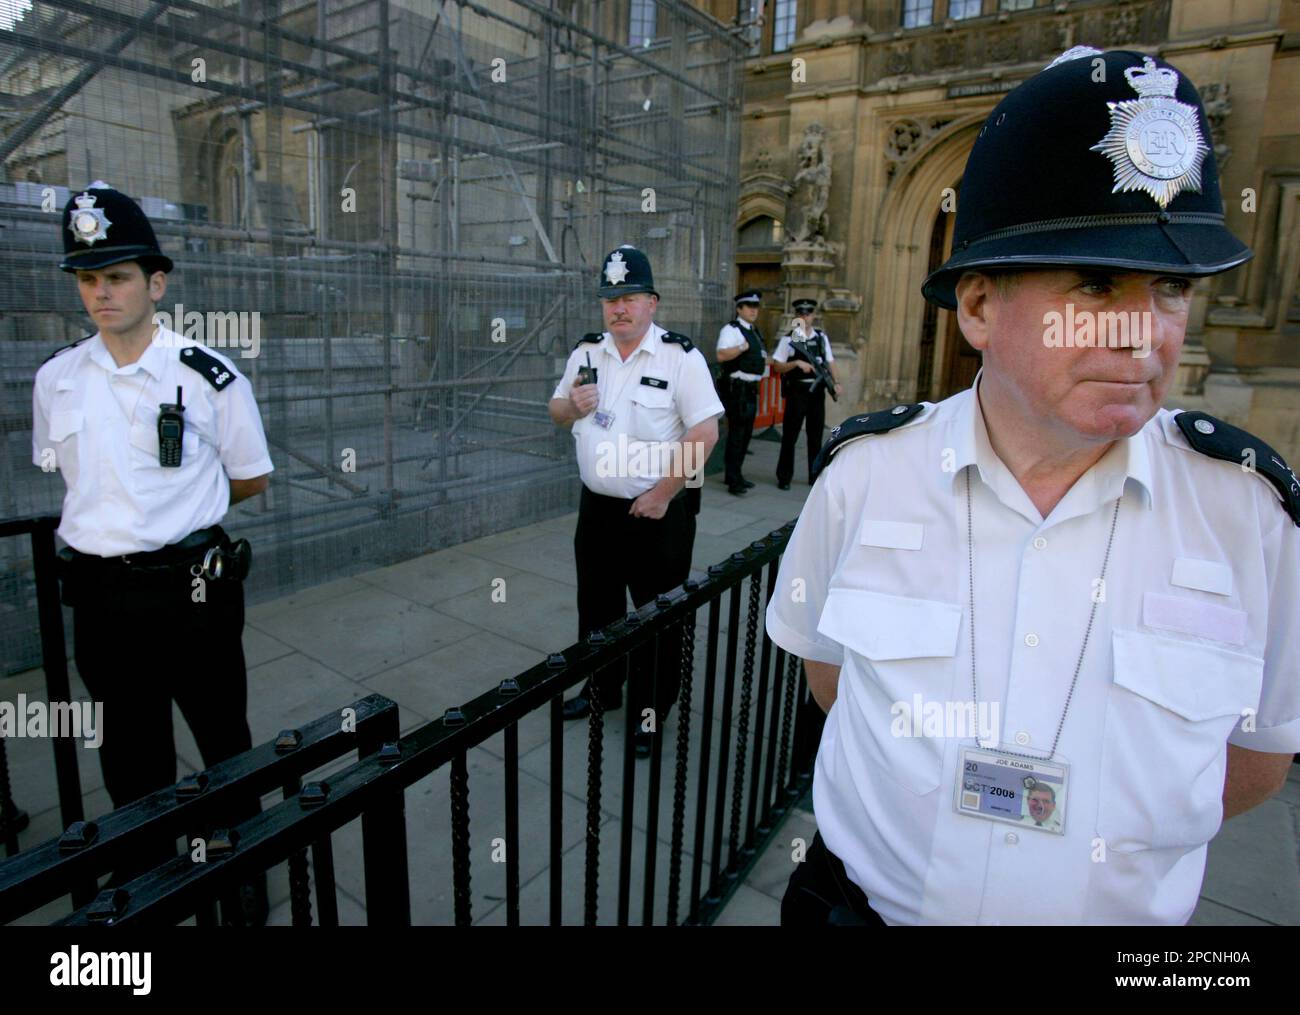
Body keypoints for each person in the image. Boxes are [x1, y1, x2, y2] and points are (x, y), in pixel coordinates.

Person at [767, 49, 1299, 926]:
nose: (1145, 334)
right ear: (978, 308)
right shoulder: (869, 476)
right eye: (1095, 282)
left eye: (1169, 287)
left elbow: (1253, 761)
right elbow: (833, 683)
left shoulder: (1249, 514)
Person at [31, 183, 275, 923]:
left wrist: (179, 517)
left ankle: (242, 874)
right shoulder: (57, 378)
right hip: (102, 600)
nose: (100, 293)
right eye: (87, 278)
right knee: (130, 759)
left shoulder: (207, 375)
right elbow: (78, 480)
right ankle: (150, 885)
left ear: (156, 282)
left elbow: (251, 477)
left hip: (192, 593)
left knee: (223, 742)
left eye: (117, 276)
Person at [549, 245, 722, 756]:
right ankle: (603, 689)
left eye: (629, 297)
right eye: (609, 299)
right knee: (597, 610)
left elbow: (705, 431)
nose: (618, 308)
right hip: (598, 510)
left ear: (651, 302)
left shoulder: (680, 357)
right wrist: (569, 406)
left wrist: (664, 493)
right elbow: (556, 410)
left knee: (656, 620)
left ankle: (650, 714)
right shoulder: (586, 353)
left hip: (659, 511)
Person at [771, 298, 841, 490]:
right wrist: (795, 364)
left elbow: (830, 361)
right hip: (797, 390)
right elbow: (777, 365)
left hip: (817, 391)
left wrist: (836, 383)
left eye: (808, 314)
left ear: (813, 316)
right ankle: (784, 477)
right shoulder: (789, 339)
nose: (805, 317)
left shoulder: (820, 337)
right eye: (801, 314)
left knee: (815, 435)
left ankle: (814, 474)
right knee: (790, 436)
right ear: (797, 317)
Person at [716, 289, 768, 495]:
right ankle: (733, 479)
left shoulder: (754, 331)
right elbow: (721, 354)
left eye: (756, 307)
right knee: (737, 435)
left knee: (745, 435)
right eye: (749, 307)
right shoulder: (732, 329)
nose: (754, 311)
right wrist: (741, 348)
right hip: (737, 389)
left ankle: (736, 474)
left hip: (750, 389)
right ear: (739, 309)